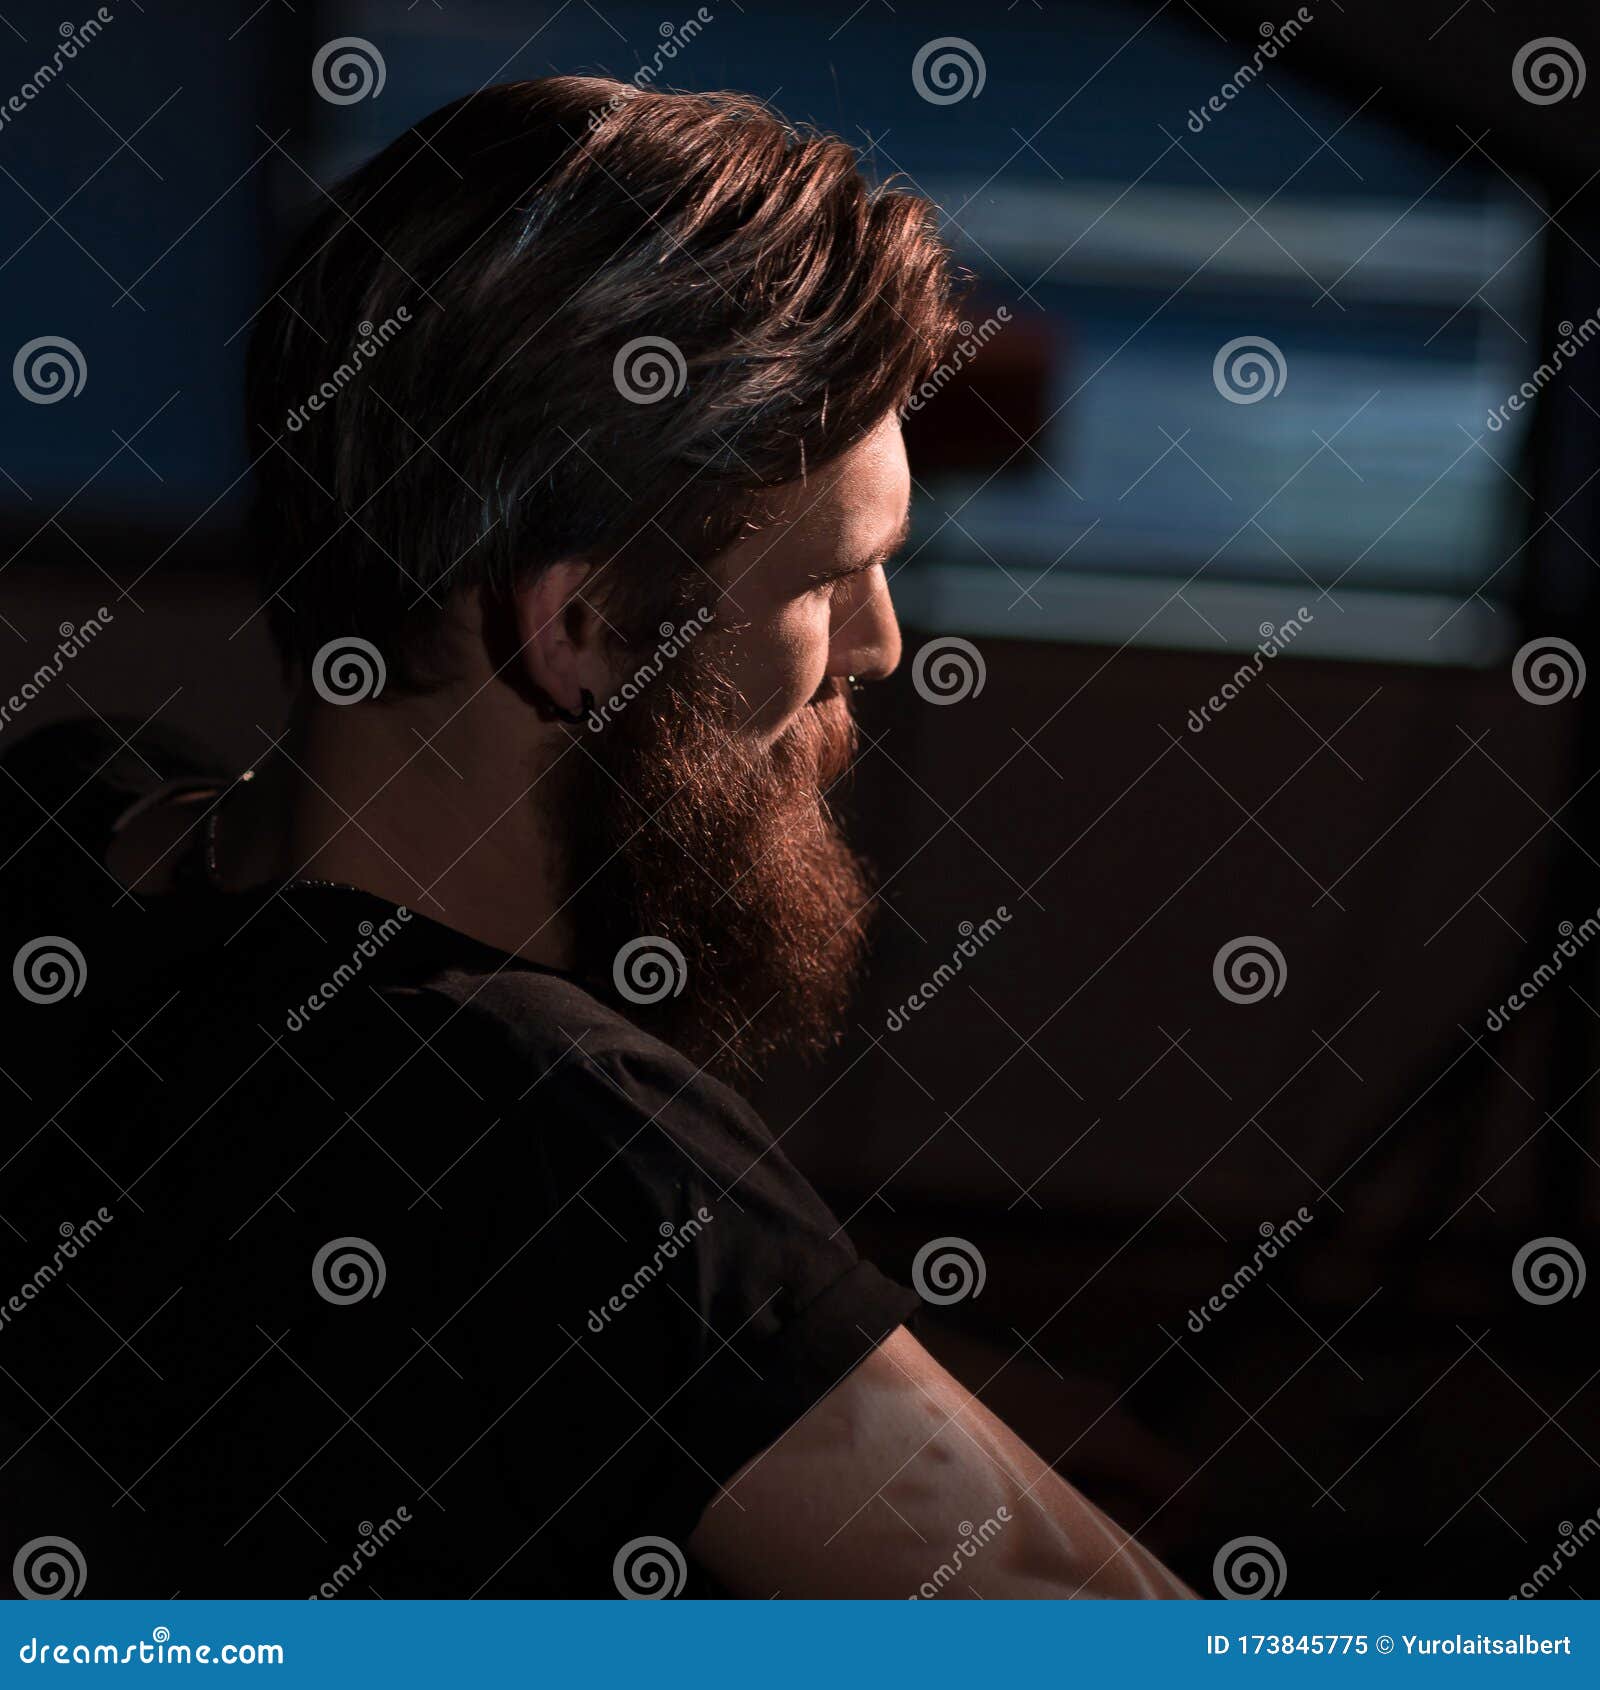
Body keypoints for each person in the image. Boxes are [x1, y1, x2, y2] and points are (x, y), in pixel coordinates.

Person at [0, 76, 1192, 1600]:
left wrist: (843, 1340)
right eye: (833, 580)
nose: (880, 648)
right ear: (579, 627)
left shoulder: (68, 812)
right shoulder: (564, 1136)